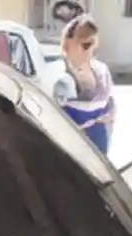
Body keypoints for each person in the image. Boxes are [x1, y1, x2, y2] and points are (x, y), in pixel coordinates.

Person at [52, 14, 115, 154]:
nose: (90, 50)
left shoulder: (102, 72)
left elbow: (111, 107)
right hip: (71, 151)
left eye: (93, 44)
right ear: (68, 45)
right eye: (85, 45)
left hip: (100, 149)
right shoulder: (61, 77)